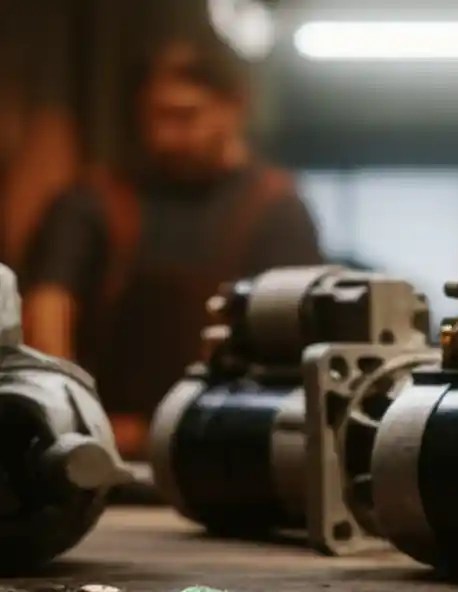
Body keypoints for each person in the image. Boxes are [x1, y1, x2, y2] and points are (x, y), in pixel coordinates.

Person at [22, 33, 323, 458]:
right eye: (153, 118)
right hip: (102, 448)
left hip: (226, 447)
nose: (164, 137)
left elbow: (295, 340)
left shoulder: (275, 208)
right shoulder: (96, 201)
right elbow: (49, 304)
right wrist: (69, 417)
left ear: (234, 107)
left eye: (183, 116)